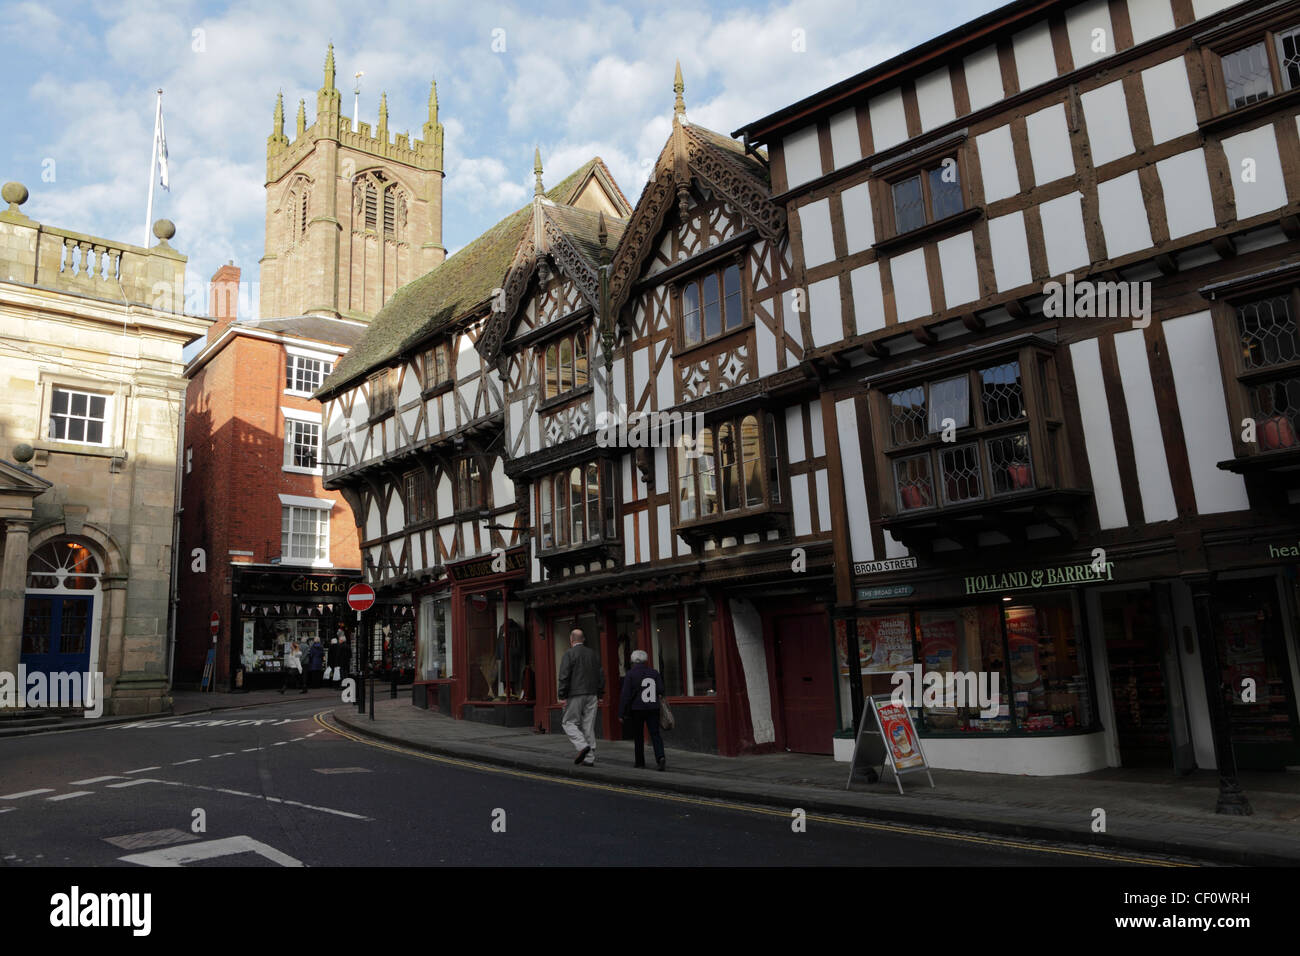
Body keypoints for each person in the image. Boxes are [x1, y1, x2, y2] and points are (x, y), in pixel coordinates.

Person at [557, 627, 604, 766]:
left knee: (568, 723)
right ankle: (589, 758)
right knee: (588, 725)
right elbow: (601, 675)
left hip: (575, 693)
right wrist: (600, 693)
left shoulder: (569, 654)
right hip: (592, 694)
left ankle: (582, 746)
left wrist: (562, 695)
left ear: (571, 640)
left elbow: (564, 676)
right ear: (583, 639)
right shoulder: (593, 654)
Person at [619, 649, 666, 771]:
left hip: (637, 709)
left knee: (638, 736)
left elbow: (625, 695)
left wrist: (621, 713)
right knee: (655, 734)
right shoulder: (654, 673)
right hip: (653, 707)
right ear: (646, 660)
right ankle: (660, 757)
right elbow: (661, 689)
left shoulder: (630, 674)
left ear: (633, 661)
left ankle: (640, 762)